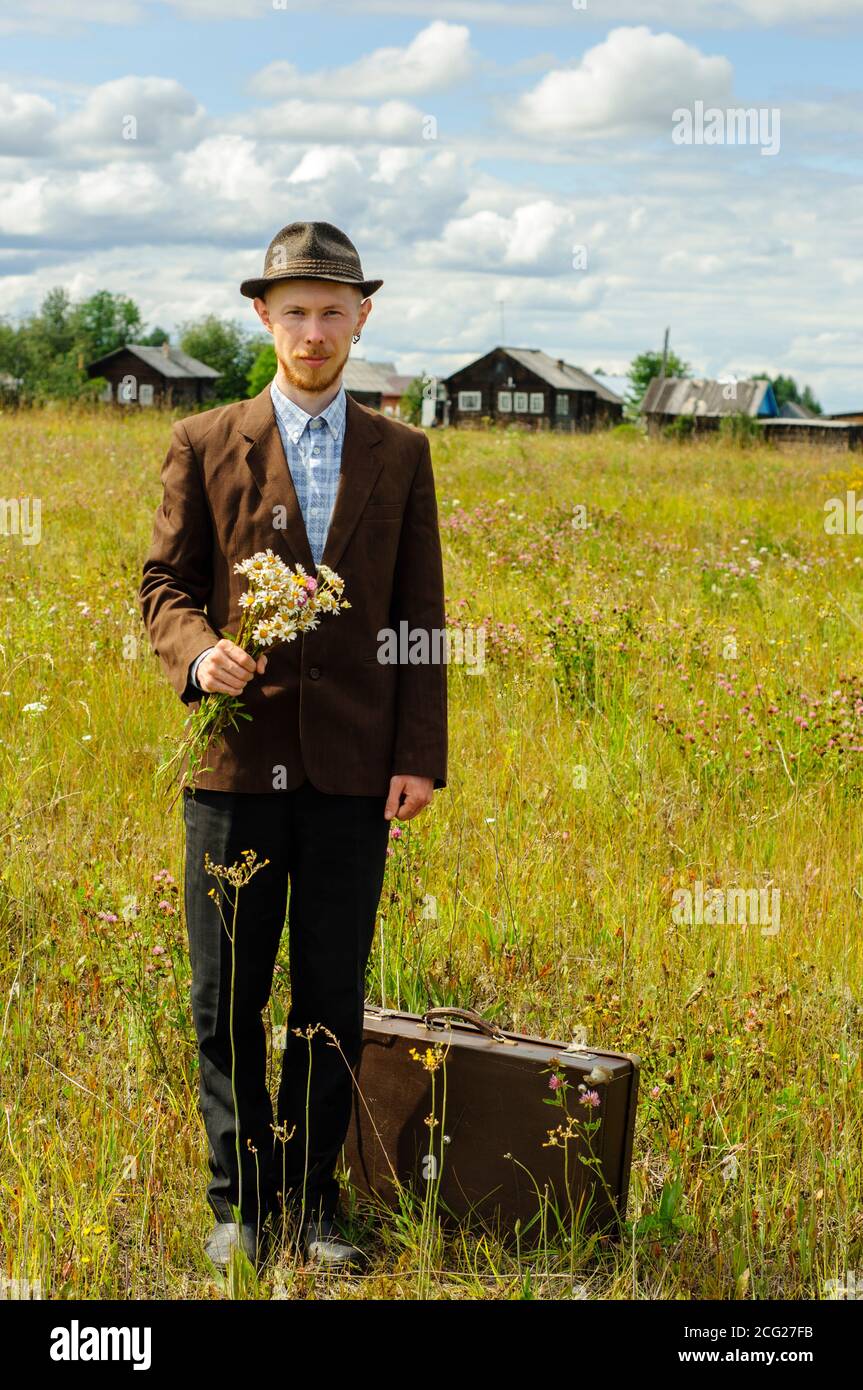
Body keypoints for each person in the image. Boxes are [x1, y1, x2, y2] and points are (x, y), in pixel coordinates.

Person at [138, 221, 447, 1274]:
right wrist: (198, 654)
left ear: (362, 316)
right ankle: (239, 1203)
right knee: (227, 992)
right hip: (232, 773)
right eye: (294, 310)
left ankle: (312, 1205)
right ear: (262, 316)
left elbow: (418, 611)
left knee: (327, 992)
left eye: (332, 310)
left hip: (356, 774)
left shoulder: (401, 453)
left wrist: (418, 752)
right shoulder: (202, 441)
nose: (313, 331)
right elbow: (162, 587)